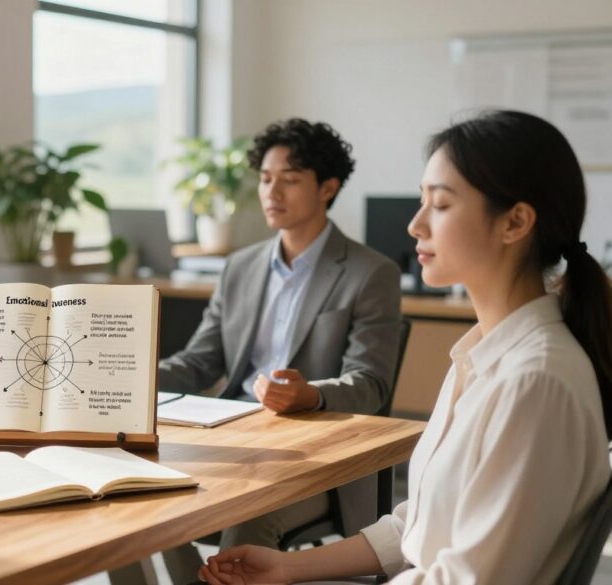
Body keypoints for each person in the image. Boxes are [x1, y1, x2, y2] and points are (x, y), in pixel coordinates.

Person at [198, 110, 612, 585]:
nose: (415, 225)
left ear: (515, 222)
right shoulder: (481, 359)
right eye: (422, 202)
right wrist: (289, 567)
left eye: (440, 205)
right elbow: (420, 526)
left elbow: (468, 579)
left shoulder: (534, 381)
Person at [121, 119, 403, 585]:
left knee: (246, 520)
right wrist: (125, 383)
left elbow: (370, 384)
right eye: (266, 179)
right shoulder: (240, 267)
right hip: (234, 438)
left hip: (314, 462)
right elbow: (199, 362)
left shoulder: (370, 272)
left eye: (290, 180)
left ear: (327, 188)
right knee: (131, 499)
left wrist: (311, 394)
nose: (273, 191)